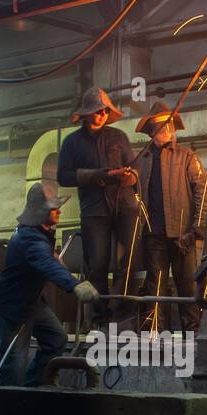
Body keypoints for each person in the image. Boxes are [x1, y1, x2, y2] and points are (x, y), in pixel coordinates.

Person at [0, 183, 99, 387]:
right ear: (41, 212)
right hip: (14, 308)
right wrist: (74, 285)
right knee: (14, 363)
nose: (59, 211)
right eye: (53, 208)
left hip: (33, 303)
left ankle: (33, 386)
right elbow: (46, 263)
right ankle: (7, 405)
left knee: (56, 339)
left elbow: (47, 258)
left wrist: (53, 255)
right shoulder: (30, 239)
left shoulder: (38, 233)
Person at [55, 87, 142, 321]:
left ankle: (125, 313)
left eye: (105, 110)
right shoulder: (72, 143)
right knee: (98, 264)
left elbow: (134, 171)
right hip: (94, 209)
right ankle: (101, 316)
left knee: (131, 258)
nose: (102, 114)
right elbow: (63, 176)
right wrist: (97, 175)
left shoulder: (118, 137)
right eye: (97, 111)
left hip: (124, 205)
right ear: (85, 114)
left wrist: (129, 176)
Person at [134, 99, 207, 332]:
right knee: (155, 289)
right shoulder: (140, 161)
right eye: (160, 126)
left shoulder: (187, 157)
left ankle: (193, 336)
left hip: (181, 236)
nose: (166, 130)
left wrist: (195, 230)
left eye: (168, 125)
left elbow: (203, 194)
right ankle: (154, 337)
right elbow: (131, 195)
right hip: (153, 235)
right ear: (151, 131)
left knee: (187, 287)